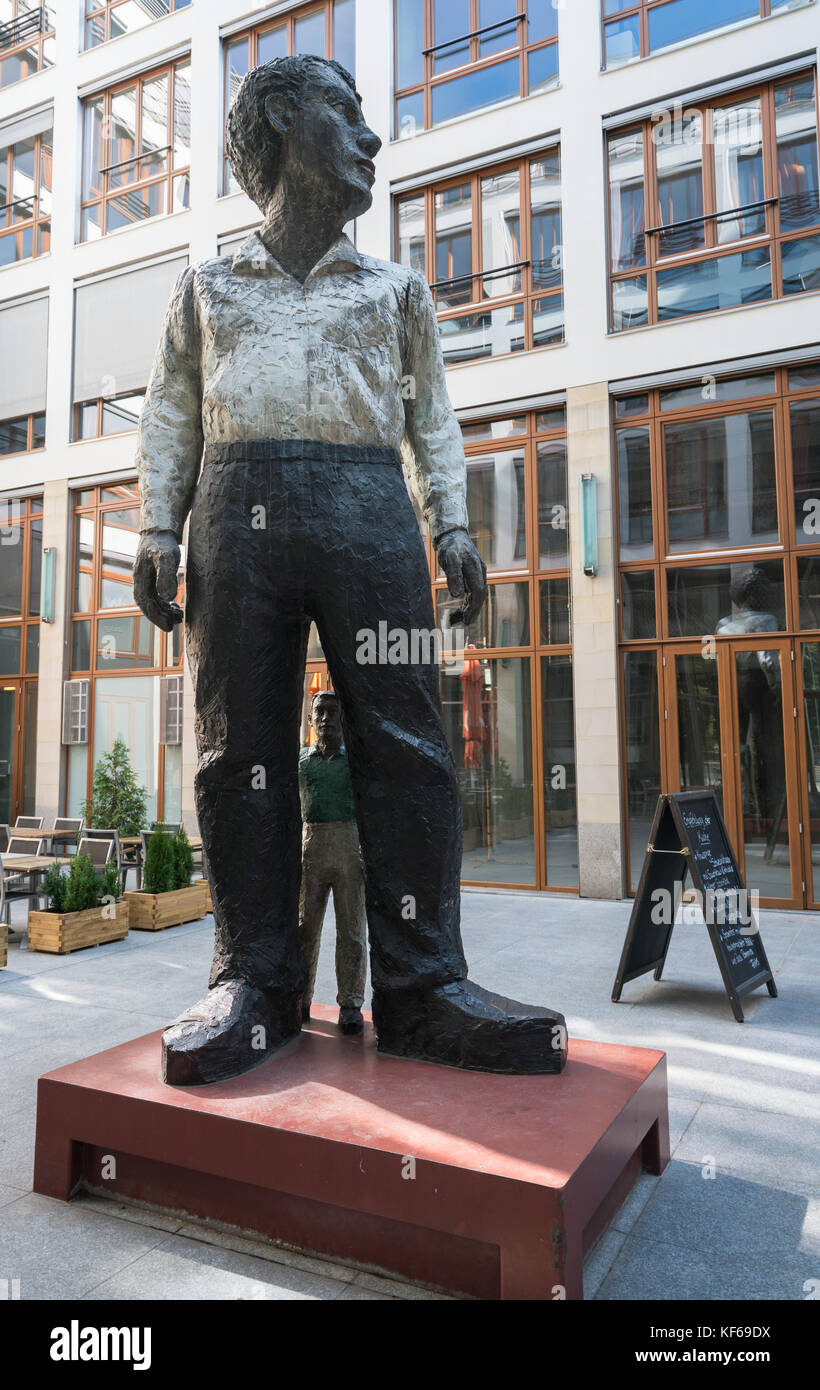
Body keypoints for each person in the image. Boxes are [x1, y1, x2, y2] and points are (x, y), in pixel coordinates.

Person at [133, 54, 567, 1084]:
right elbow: (173, 409)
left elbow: (431, 416)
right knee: (237, 748)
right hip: (235, 514)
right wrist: (158, 526)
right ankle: (255, 980)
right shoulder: (207, 288)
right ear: (282, 118)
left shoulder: (395, 289)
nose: (372, 138)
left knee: (409, 741)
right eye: (347, 112)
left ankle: (423, 986)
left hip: (372, 510)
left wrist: (452, 525)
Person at [299, 691, 367, 1035]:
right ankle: (300, 996)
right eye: (319, 712)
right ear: (310, 720)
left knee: (351, 930)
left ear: (342, 719)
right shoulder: (301, 763)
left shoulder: (354, 762)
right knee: (305, 929)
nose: (325, 719)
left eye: (332, 712)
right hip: (310, 849)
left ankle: (351, 1003)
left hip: (348, 849)